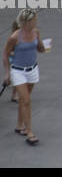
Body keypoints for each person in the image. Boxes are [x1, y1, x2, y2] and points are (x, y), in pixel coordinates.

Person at [3, 8, 44, 145]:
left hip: (32, 70)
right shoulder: (15, 37)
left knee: (24, 100)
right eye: (34, 20)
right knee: (26, 100)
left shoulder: (36, 32)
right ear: (26, 22)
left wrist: (43, 46)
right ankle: (30, 132)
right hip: (18, 71)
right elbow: (5, 54)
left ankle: (19, 125)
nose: (35, 22)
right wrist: (7, 73)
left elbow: (39, 48)